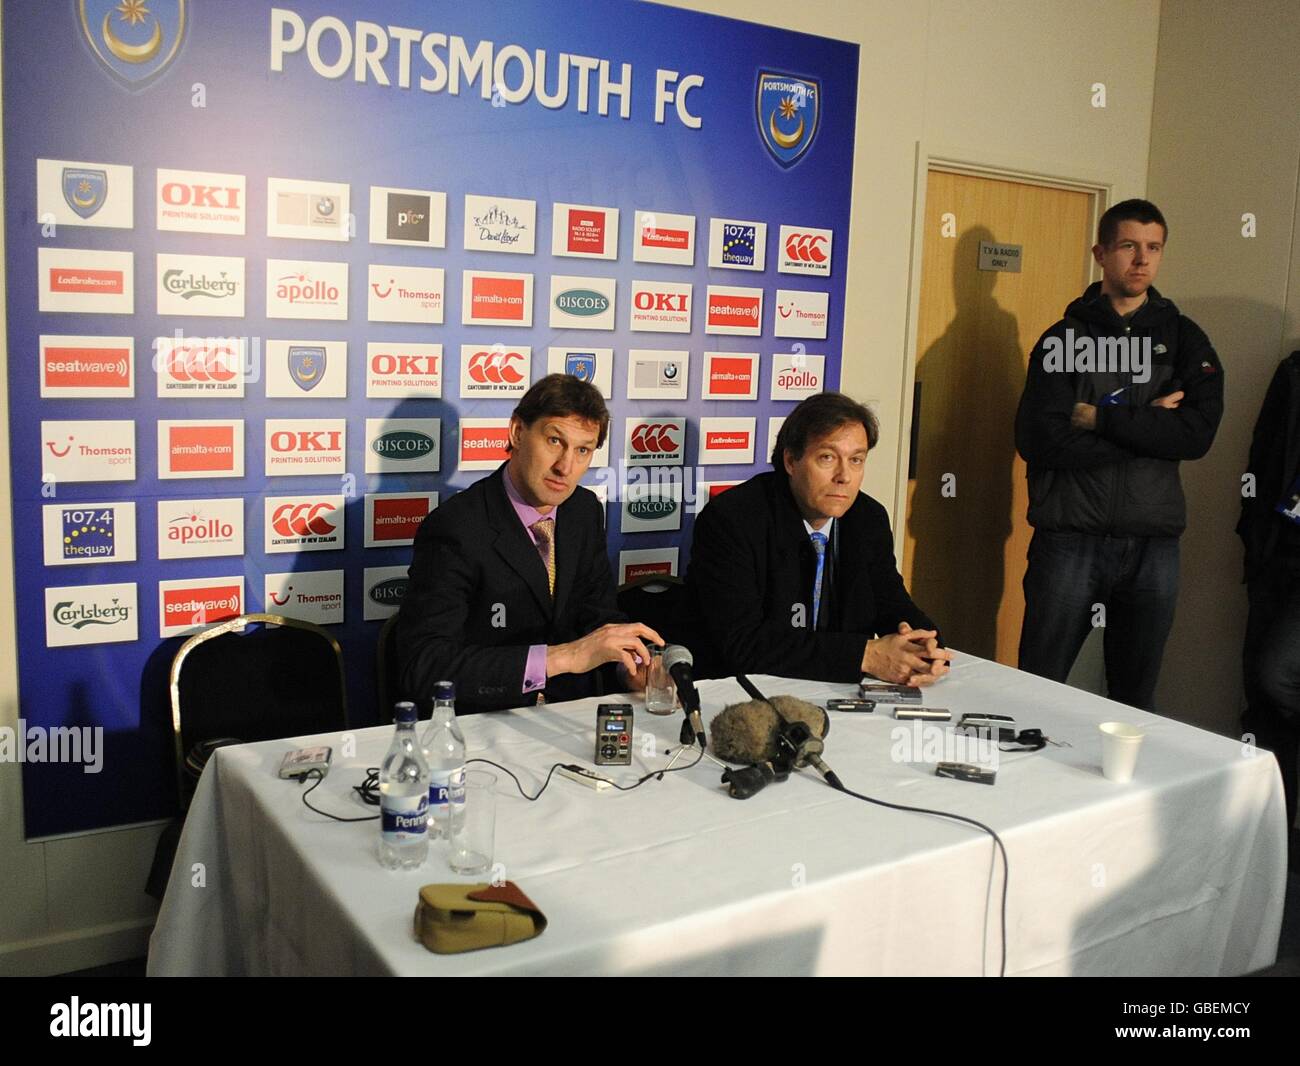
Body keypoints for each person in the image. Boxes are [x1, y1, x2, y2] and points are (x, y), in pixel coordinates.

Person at [1015, 199, 1224, 710]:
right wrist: (1148, 423)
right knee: (1037, 691)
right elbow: (1040, 440)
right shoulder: (1064, 340)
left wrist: (1099, 417)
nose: (1141, 260)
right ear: (1101, 253)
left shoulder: (1184, 338)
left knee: (1134, 703)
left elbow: (1195, 436)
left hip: (1152, 547)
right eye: (1129, 246)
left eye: (1153, 248)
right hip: (1069, 540)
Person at [397, 374, 662, 714]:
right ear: (517, 432)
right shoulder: (457, 527)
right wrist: (563, 657)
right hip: (483, 723)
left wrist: (628, 668)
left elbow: (597, 617)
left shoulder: (583, 511)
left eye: (582, 450)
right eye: (555, 440)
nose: (565, 466)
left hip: (569, 719)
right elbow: (424, 665)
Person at [686, 391, 951, 685]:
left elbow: (894, 606)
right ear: (790, 461)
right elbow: (742, 644)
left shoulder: (868, 518)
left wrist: (925, 647)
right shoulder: (732, 519)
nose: (844, 476)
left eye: (856, 460)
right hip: (742, 693)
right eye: (827, 458)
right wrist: (865, 655)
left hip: (835, 694)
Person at [1237, 350, 1300, 834]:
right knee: (1261, 697)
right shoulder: (1294, 370)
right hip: (1277, 555)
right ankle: (1269, 833)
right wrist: (1254, 538)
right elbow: (1263, 455)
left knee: (1275, 674)